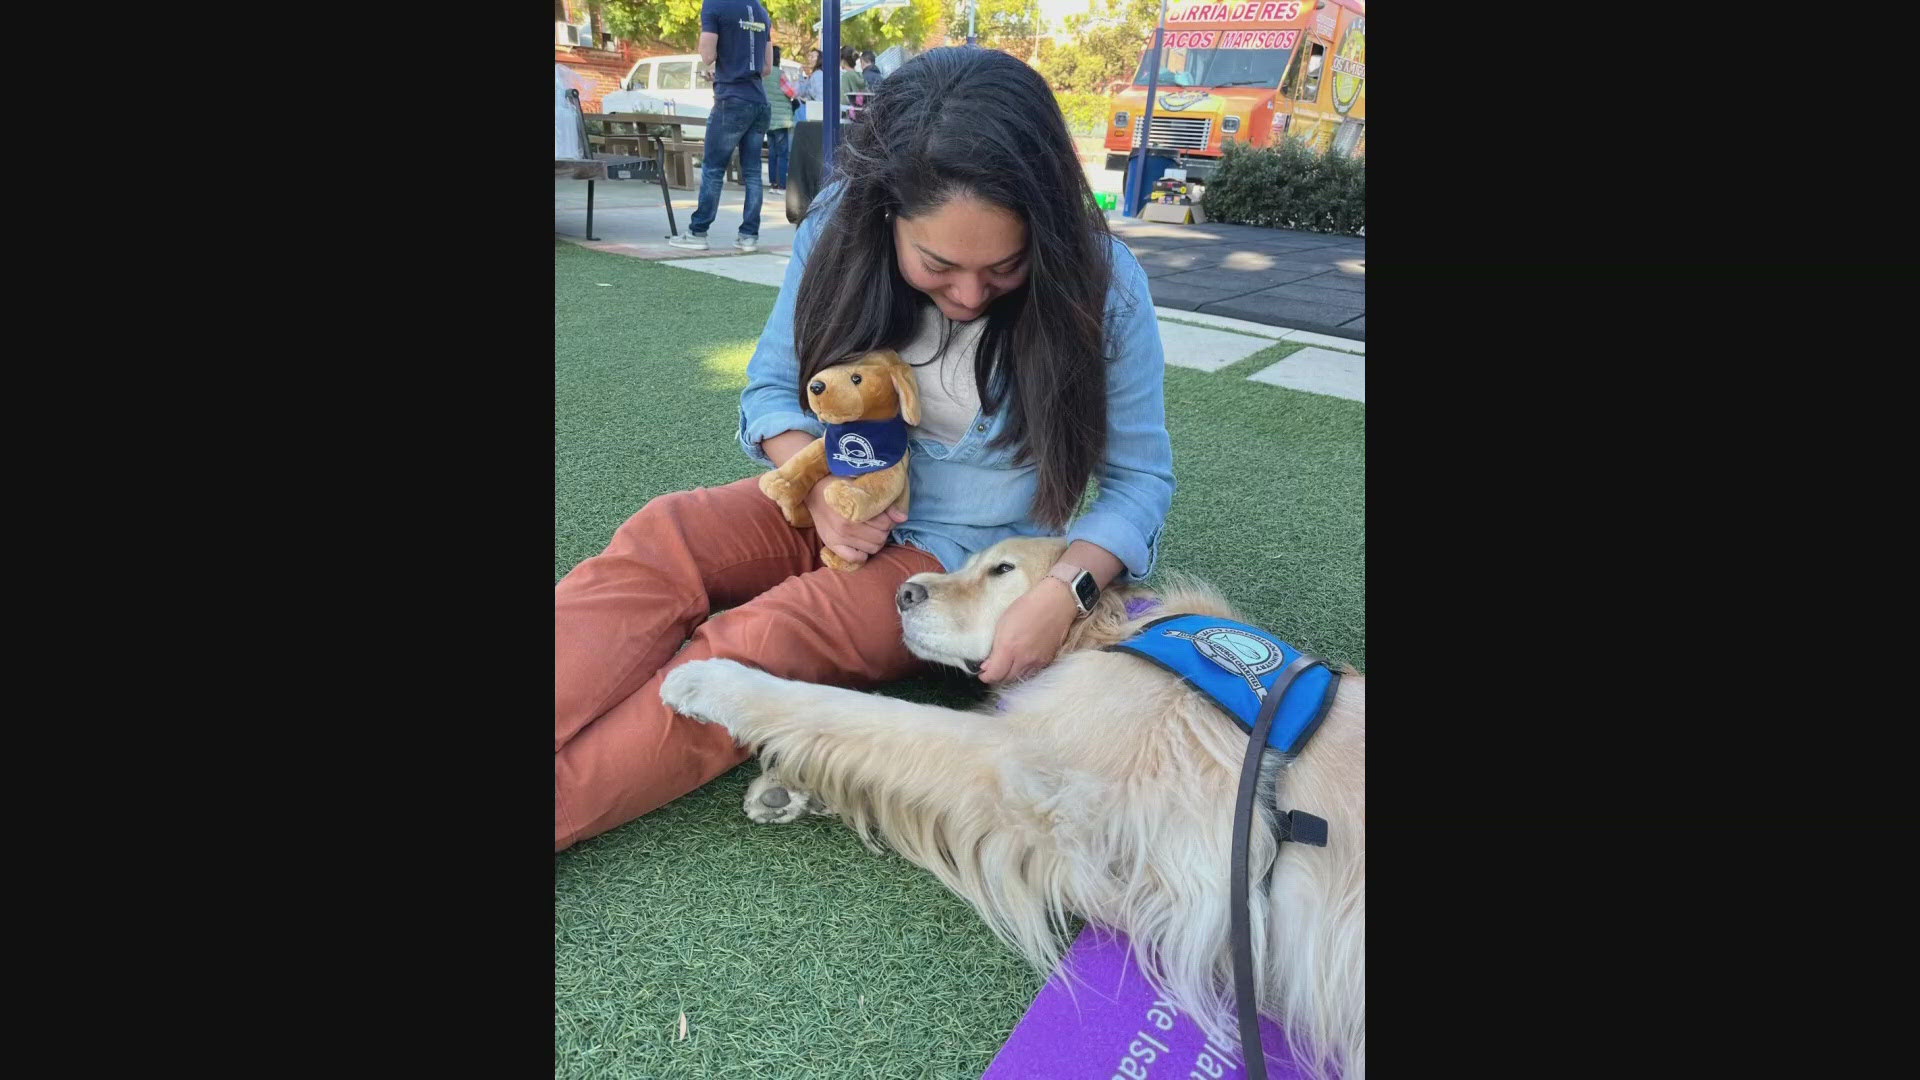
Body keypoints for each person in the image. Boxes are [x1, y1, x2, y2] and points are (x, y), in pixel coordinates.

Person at [556, 47, 1174, 852]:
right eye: (939, 265)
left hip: (955, 561)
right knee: (663, 534)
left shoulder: (1106, 284)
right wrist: (813, 487)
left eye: (1005, 267)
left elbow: (1139, 482)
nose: (968, 294)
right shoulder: (837, 229)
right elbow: (771, 394)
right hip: (831, 492)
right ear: (886, 214)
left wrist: (1059, 597)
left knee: (756, 644)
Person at [668, 0, 772, 253]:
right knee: (753, 173)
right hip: (758, 100)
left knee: (713, 169)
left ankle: (698, 232)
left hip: (731, 99)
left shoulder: (714, 5)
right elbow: (766, 68)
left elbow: (707, 56)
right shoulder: (761, 10)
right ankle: (749, 236)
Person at [761, 44, 793, 193]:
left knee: (772, 152)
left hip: (768, 118)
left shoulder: (763, 74)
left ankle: (773, 183)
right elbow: (791, 92)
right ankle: (782, 185)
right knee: (783, 153)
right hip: (781, 120)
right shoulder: (780, 74)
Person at [838, 45, 867, 118]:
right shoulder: (860, 75)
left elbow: (844, 100)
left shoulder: (846, 76)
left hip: (848, 115)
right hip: (860, 114)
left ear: (843, 61)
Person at [798, 48, 823, 122]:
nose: (810, 59)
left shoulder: (818, 75)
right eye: (809, 56)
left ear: (819, 59)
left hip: (816, 114)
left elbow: (820, 97)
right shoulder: (813, 75)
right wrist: (801, 75)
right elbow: (802, 93)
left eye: (812, 57)